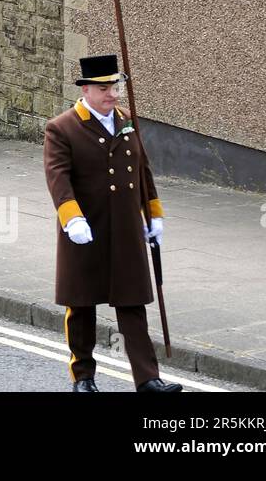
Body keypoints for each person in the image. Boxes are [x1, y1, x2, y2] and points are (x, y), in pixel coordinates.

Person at [44, 54, 181, 393]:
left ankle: (148, 379)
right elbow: (58, 178)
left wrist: (154, 214)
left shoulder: (127, 121)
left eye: (116, 86)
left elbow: (142, 170)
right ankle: (83, 376)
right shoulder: (62, 128)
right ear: (87, 89)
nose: (113, 94)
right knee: (82, 305)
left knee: (132, 302)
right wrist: (71, 217)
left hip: (124, 228)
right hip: (85, 230)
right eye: (105, 88)